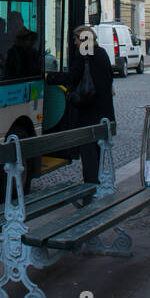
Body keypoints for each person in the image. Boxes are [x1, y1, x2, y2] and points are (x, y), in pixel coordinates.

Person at [46, 26, 115, 184]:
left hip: (89, 114)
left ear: (83, 40)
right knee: (98, 154)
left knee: (89, 155)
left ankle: (91, 190)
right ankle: (98, 185)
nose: (75, 43)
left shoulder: (84, 56)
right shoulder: (102, 53)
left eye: (76, 39)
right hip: (104, 113)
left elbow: (73, 76)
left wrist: (50, 77)